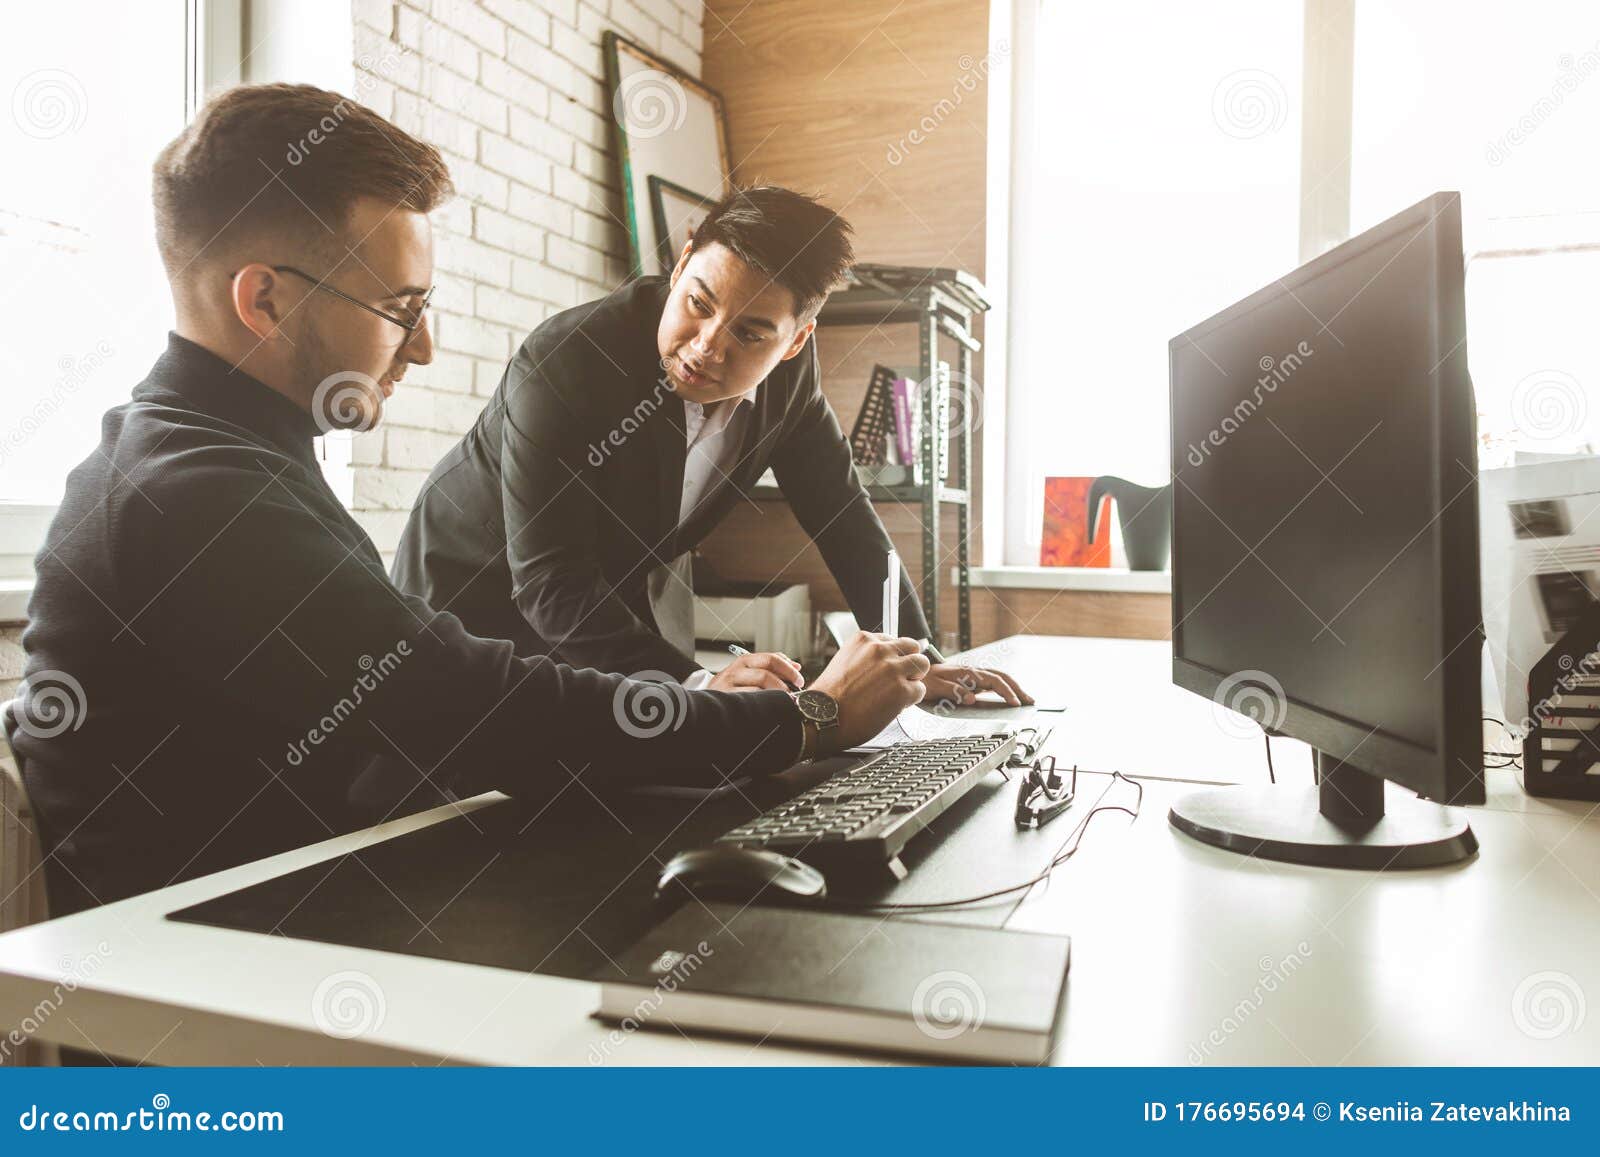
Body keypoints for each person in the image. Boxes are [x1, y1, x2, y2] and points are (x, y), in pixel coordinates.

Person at [13, 84, 930, 920]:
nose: (423, 349)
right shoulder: (196, 495)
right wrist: (804, 719)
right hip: (187, 979)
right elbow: (468, 702)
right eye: (401, 308)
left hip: (303, 888)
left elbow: (449, 708)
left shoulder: (214, 449)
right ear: (264, 302)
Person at [390, 186, 1031, 707]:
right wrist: (701, 686)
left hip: (586, 624)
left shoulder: (789, 384)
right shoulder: (568, 359)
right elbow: (552, 580)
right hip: (460, 610)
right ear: (683, 261)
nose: (707, 346)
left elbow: (845, 520)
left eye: (751, 334)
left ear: (797, 340)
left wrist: (915, 658)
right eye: (698, 302)